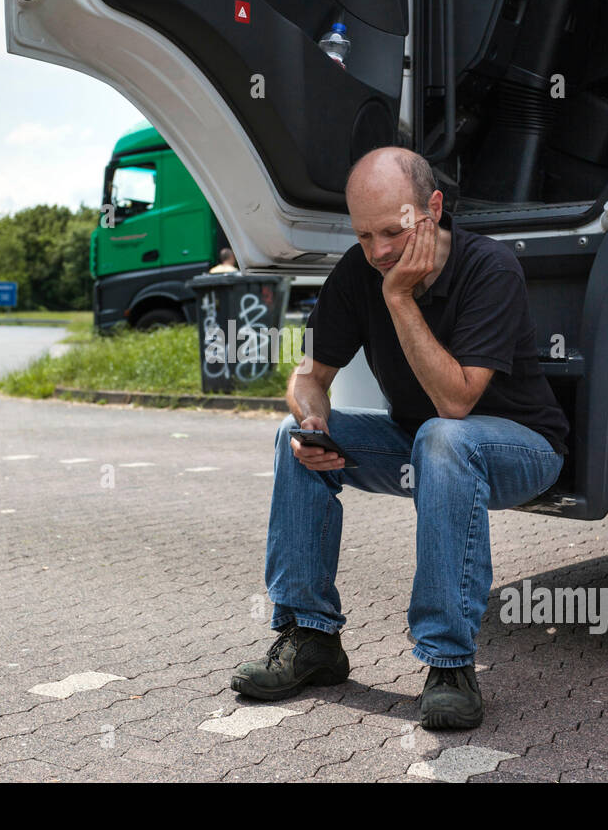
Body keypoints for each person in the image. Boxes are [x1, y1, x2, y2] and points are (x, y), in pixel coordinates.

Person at [230, 146, 570, 729]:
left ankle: (449, 662)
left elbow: (456, 403)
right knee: (292, 437)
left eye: (392, 231)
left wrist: (398, 298)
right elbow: (308, 376)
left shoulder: (489, 267)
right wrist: (312, 421)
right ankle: (310, 636)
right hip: (420, 444)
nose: (379, 251)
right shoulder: (356, 271)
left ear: (432, 208)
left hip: (522, 448)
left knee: (444, 436)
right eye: (364, 236)